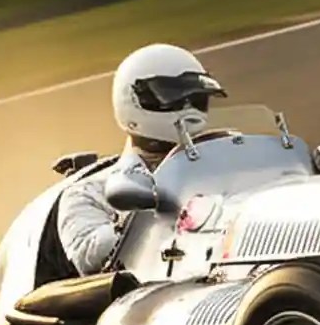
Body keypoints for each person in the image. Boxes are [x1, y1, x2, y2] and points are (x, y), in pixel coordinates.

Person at [53, 43, 228, 277]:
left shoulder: (226, 166)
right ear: (135, 101)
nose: (188, 109)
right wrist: (144, 221)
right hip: (156, 300)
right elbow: (89, 259)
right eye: (174, 100)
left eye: (196, 99)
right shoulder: (89, 193)